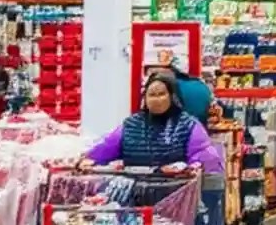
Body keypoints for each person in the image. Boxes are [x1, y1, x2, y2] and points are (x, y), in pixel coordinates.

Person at [81, 73, 223, 174]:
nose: (156, 100)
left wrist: (192, 168)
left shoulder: (188, 126)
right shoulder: (131, 125)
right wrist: (87, 160)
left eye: (161, 94)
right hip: (135, 199)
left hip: (177, 196)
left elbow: (205, 159)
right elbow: (106, 148)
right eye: (152, 95)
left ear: (172, 97)